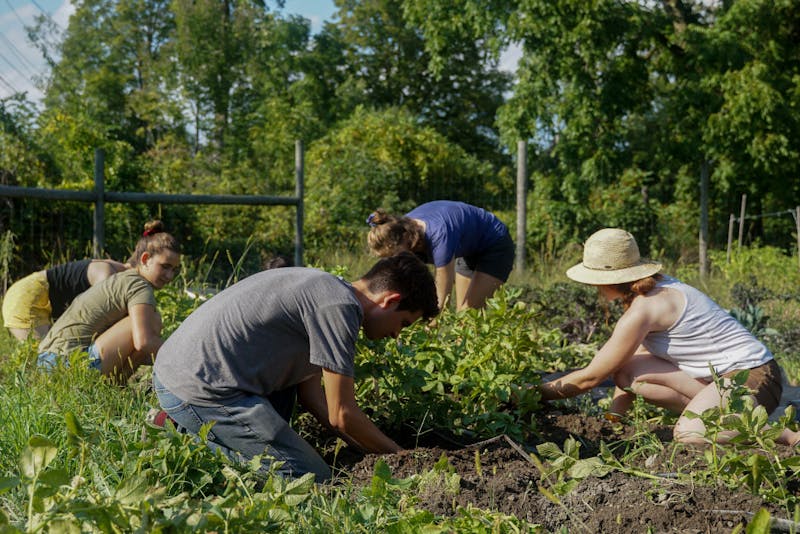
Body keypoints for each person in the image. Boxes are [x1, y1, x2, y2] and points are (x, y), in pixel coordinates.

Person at [152, 252, 439, 481]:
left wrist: (365, 447)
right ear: (391, 300)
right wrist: (404, 457)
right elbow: (342, 415)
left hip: (184, 374)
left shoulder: (325, 289)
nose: (396, 334)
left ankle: (187, 428)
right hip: (199, 389)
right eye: (403, 323)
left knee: (292, 438)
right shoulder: (339, 308)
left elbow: (312, 397)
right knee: (307, 476)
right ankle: (181, 438)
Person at [531, 228, 800, 445]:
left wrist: (527, 396)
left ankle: (783, 435)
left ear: (606, 280)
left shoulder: (644, 309)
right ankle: (714, 412)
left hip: (753, 377)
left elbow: (590, 378)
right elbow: (621, 365)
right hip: (720, 379)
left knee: (690, 434)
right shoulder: (652, 290)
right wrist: (612, 421)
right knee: (627, 374)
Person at [37, 220, 181, 383]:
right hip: (66, 366)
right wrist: (184, 360)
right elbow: (144, 343)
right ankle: (114, 386)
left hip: (46, 364)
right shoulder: (139, 286)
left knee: (144, 325)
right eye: (165, 267)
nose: (170, 276)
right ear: (146, 259)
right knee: (152, 321)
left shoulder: (121, 279)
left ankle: (114, 386)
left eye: (174, 270)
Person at [366, 200, 514, 311]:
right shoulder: (397, 228)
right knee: (460, 318)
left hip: (494, 243)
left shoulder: (439, 236)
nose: (395, 260)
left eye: (395, 255)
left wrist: (429, 327)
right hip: (467, 248)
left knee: (467, 316)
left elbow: (442, 299)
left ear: (406, 238)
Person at [3, 258, 130, 341]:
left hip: (26, 291)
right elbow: (103, 307)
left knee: (46, 360)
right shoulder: (108, 273)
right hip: (28, 297)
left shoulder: (112, 266)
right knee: (43, 361)